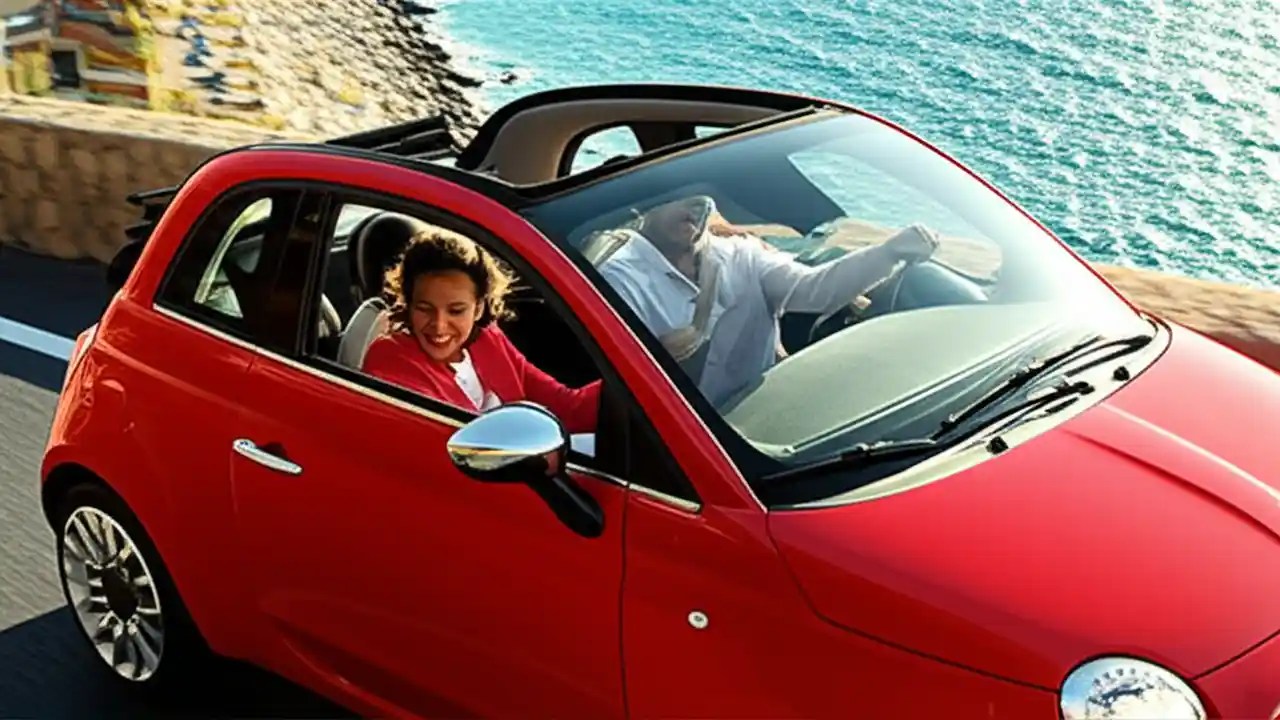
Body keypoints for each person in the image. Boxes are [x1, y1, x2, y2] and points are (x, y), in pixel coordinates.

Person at [595, 195, 940, 408]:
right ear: (646, 208)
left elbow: (814, 291)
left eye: (700, 202)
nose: (692, 209)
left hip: (768, 414)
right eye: (679, 200)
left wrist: (888, 252)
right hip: (695, 443)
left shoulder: (740, 254)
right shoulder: (618, 278)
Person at [362, 227, 601, 434]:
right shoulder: (392, 359)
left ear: (478, 308)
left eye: (456, 311)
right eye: (424, 309)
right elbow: (446, 445)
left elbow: (568, 407)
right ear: (409, 304)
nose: (439, 325)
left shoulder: (488, 339)